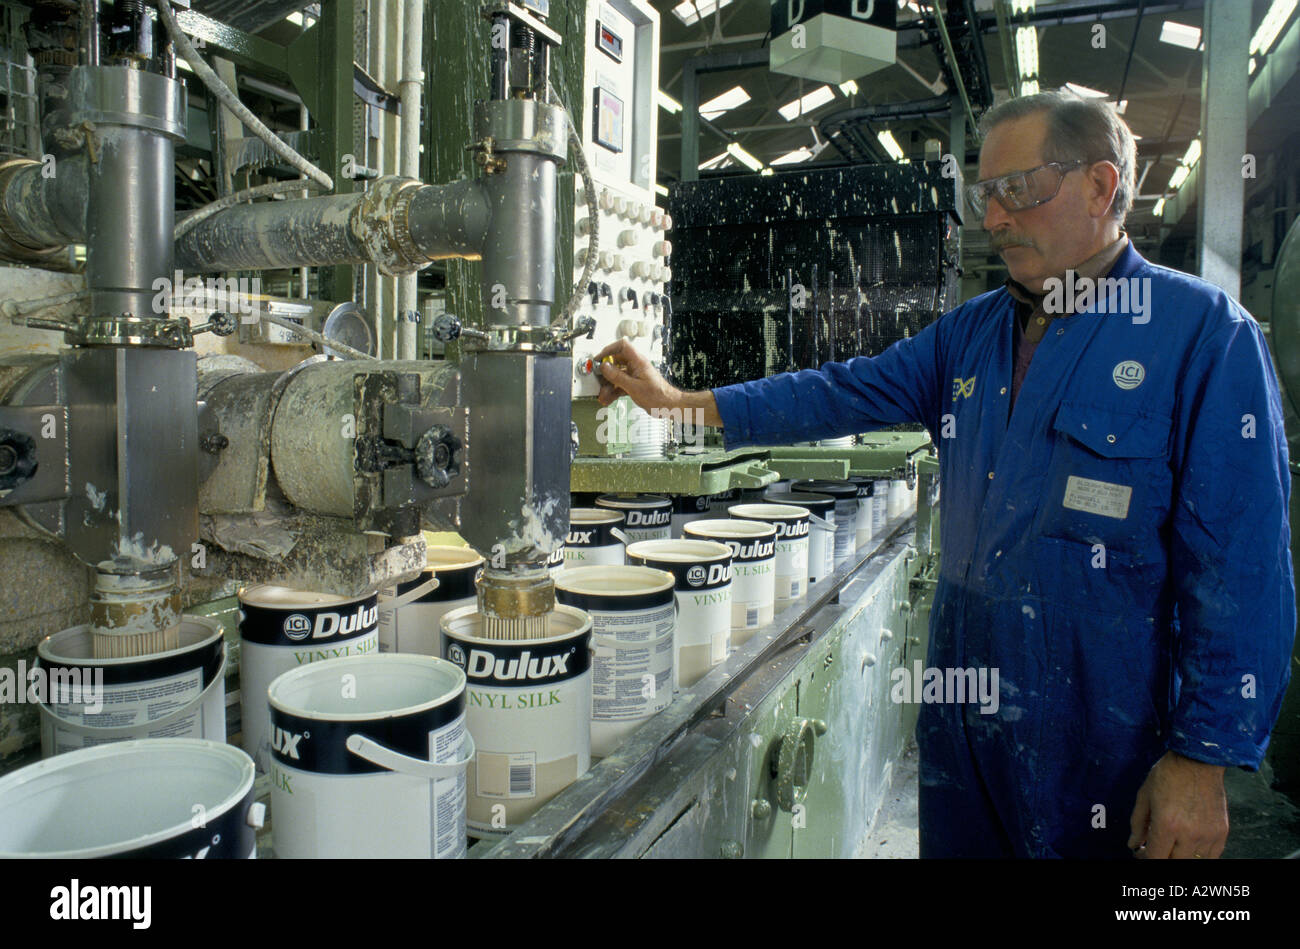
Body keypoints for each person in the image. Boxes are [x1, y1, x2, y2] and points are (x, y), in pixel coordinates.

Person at [593, 90, 1296, 859]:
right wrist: (678, 403)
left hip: (1107, 750)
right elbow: (837, 391)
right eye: (985, 194)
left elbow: (1242, 572)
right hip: (966, 738)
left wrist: (1202, 759)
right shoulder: (971, 334)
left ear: (1100, 187)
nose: (994, 218)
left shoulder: (1202, 337)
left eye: (1018, 190)